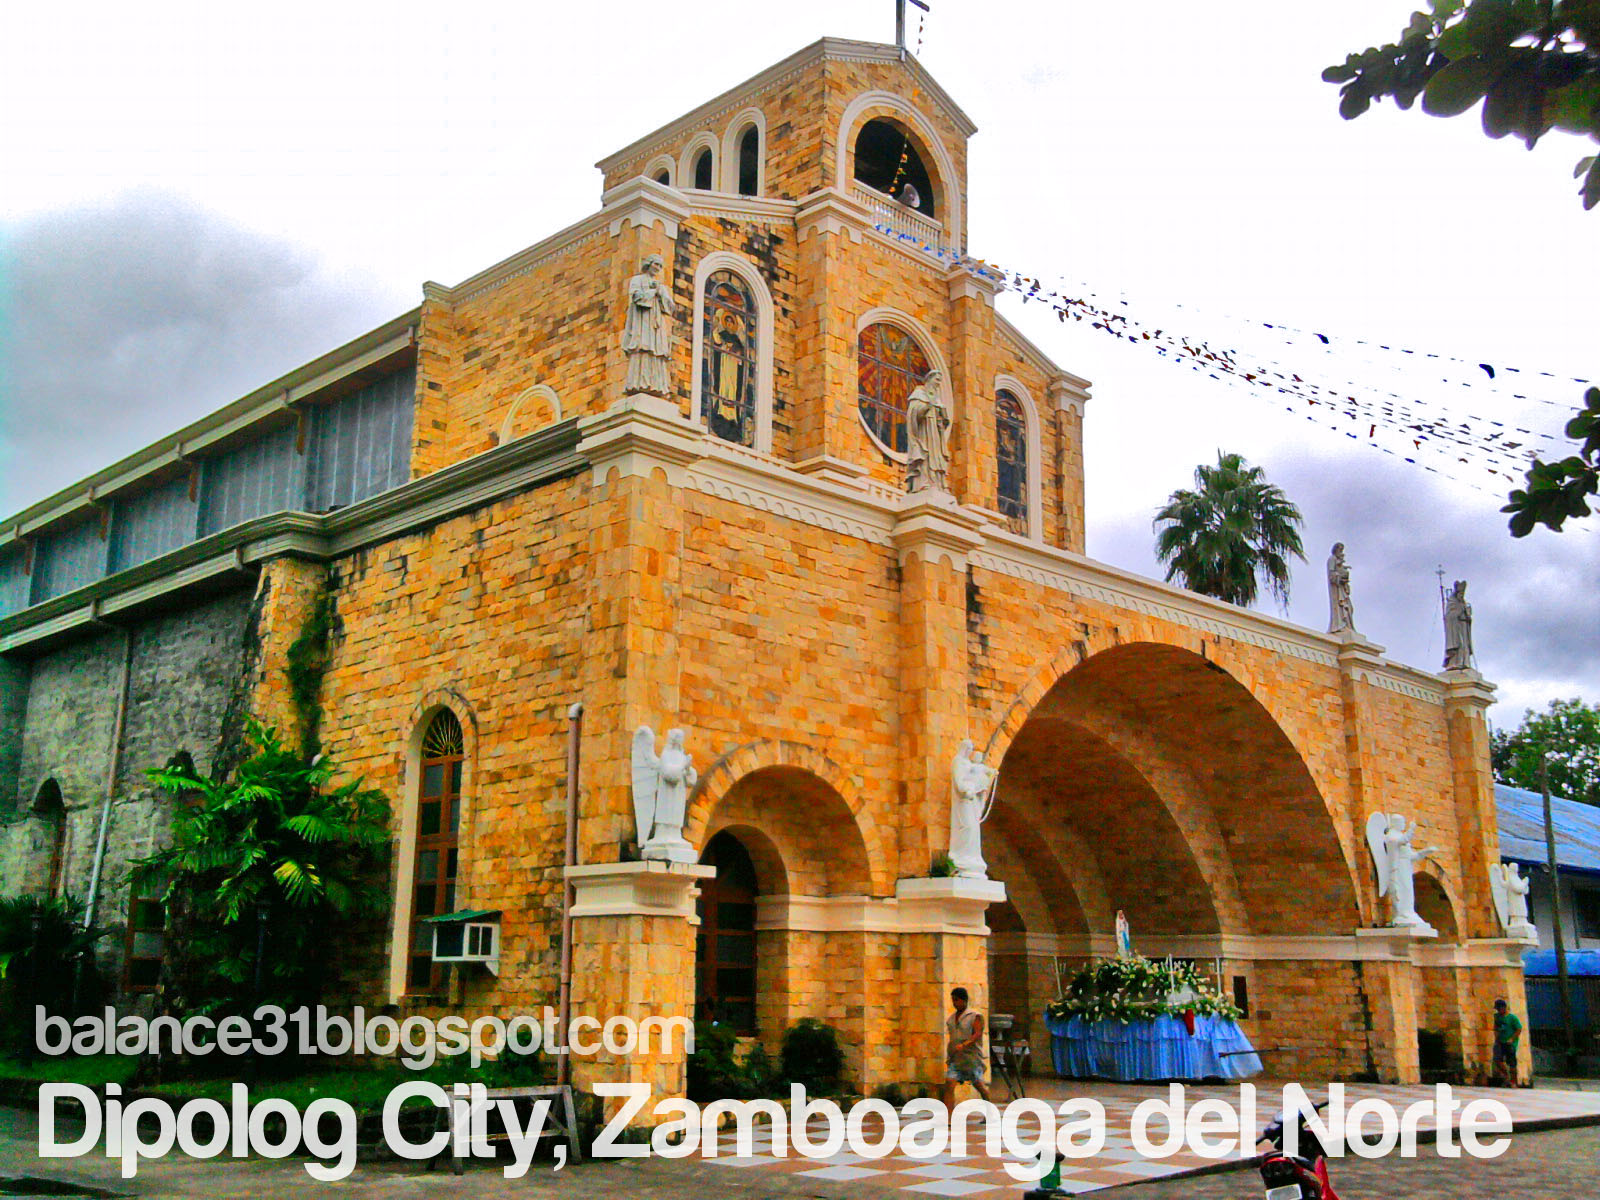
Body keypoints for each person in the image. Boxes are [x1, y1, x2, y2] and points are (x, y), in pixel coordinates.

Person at [941, 986, 990, 1105]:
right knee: (949, 1084)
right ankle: (949, 1117)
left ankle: (990, 1110)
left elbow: (977, 1033)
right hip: (956, 1058)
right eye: (953, 1000)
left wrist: (965, 1044)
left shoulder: (974, 1016)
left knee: (979, 1086)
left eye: (957, 1000)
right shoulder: (951, 1019)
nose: (954, 1003)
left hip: (971, 1058)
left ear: (964, 1000)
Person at [1492, 998, 1522, 1087]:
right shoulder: (1497, 1017)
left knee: (1512, 1063)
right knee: (1497, 1060)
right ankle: (1506, 1076)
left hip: (1510, 1043)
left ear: (1504, 1008)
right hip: (1500, 1041)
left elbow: (1519, 1029)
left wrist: (1512, 1039)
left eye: (1499, 1008)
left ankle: (1513, 1081)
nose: (1498, 1011)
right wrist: (1496, 1036)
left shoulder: (1512, 1018)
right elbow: (1496, 1027)